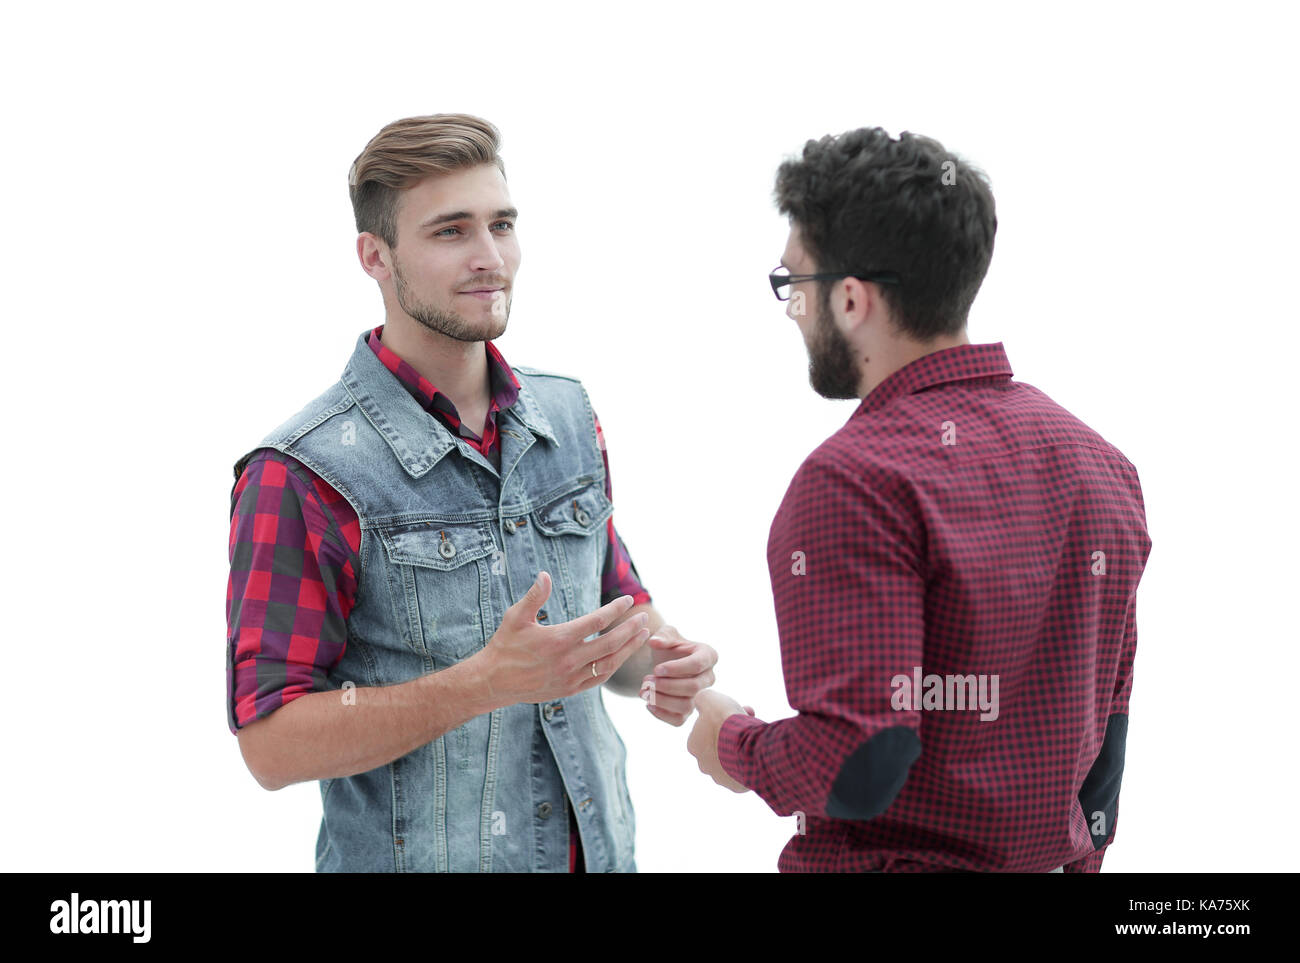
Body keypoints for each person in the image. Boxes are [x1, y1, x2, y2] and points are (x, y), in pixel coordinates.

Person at [227, 113, 717, 872]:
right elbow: (271, 741)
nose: (491, 258)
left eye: (502, 224)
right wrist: (481, 684)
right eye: (451, 231)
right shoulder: (304, 472)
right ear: (375, 256)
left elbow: (612, 605)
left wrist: (661, 658)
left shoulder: (567, 415)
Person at [687, 127, 1151, 873]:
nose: (792, 312)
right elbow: (1108, 735)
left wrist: (731, 741)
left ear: (849, 299)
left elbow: (859, 762)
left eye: (794, 286)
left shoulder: (854, 481)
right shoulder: (1102, 464)